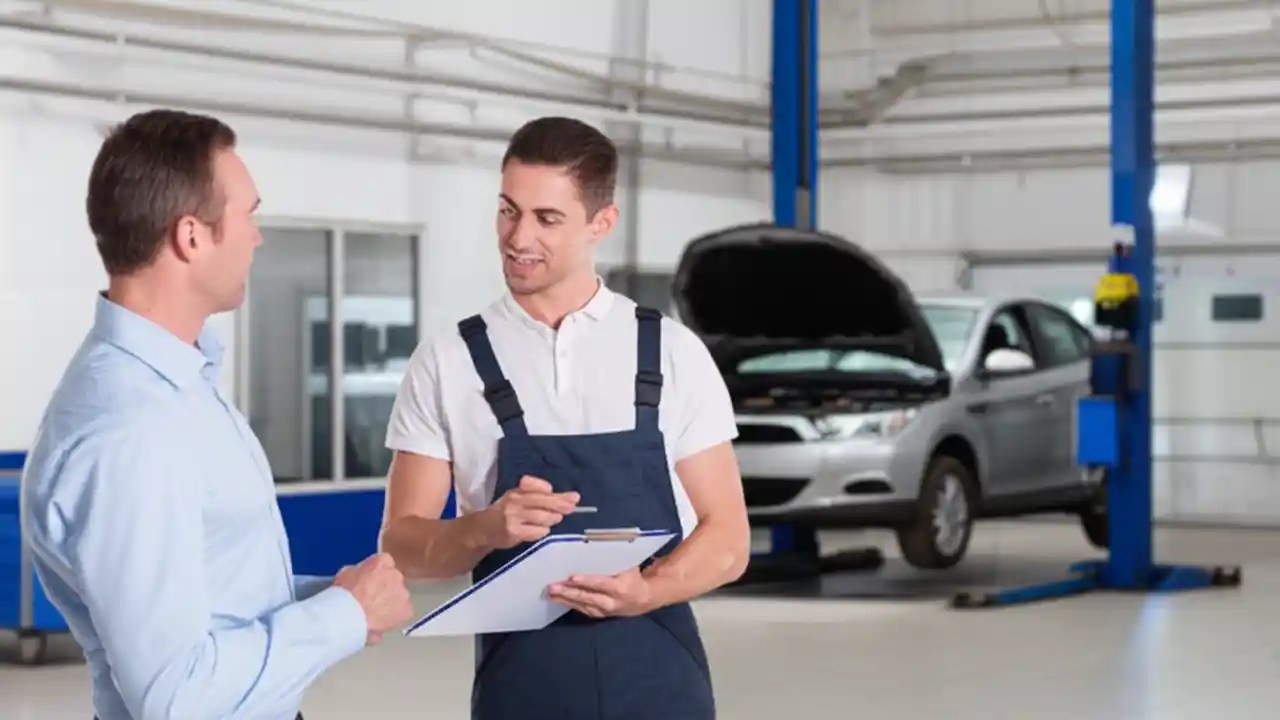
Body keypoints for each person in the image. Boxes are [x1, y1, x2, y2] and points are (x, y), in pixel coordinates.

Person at [20, 108, 415, 720]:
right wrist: (344, 615)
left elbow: (214, 600)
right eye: (248, 214)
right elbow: (176, 695)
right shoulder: (131, 429)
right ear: (192, 235)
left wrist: (334, 600)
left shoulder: (176, 386)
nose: (258, 237)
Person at [379, 115, 751, 719]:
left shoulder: (670, 352)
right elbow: (403, 545)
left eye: (547, 219)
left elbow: (729, 541)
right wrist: (485, 530)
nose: (518, 237)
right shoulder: (448, 361)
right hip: (522, 688)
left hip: (658, 678)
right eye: (508, 210)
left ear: (601, 223)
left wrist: (647, 591)